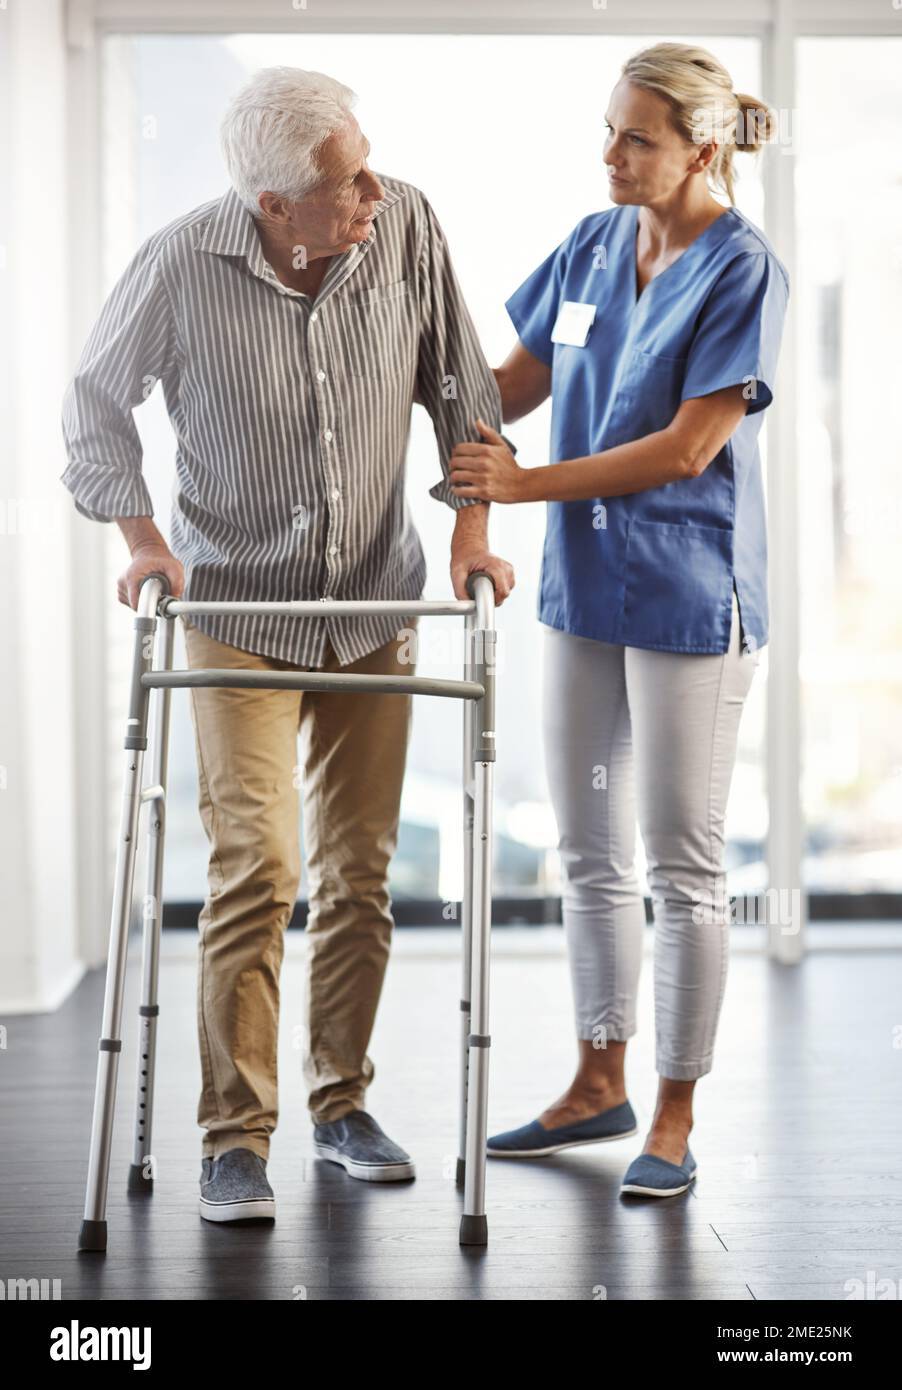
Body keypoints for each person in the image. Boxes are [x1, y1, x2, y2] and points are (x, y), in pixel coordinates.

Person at [60, 66, 514, 1224]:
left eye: (366, 160)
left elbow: (460, 384)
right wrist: (143, 539)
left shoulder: (402, 221)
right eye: (341, 179)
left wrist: (469, 528)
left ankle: (343, 1102)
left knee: (360, 875)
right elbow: (95, 405)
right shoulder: (178, 263)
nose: (370, 187)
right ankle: (233, 1138)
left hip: (373, 605)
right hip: (236, 617)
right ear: (273, 203)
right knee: (256, 867)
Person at [449, 42, 789, 1197]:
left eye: (635, 137)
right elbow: (508, 383)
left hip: (690, 594)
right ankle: (599, 1080)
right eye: (606, 131)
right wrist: (393, 385)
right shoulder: (592, 244)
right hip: (584, 586)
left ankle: (675, 1114)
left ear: (701, 150)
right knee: (587, 850)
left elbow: (691, 445)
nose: (609, 154)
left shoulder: (742, 269)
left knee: (680, 865)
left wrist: (522, 487)